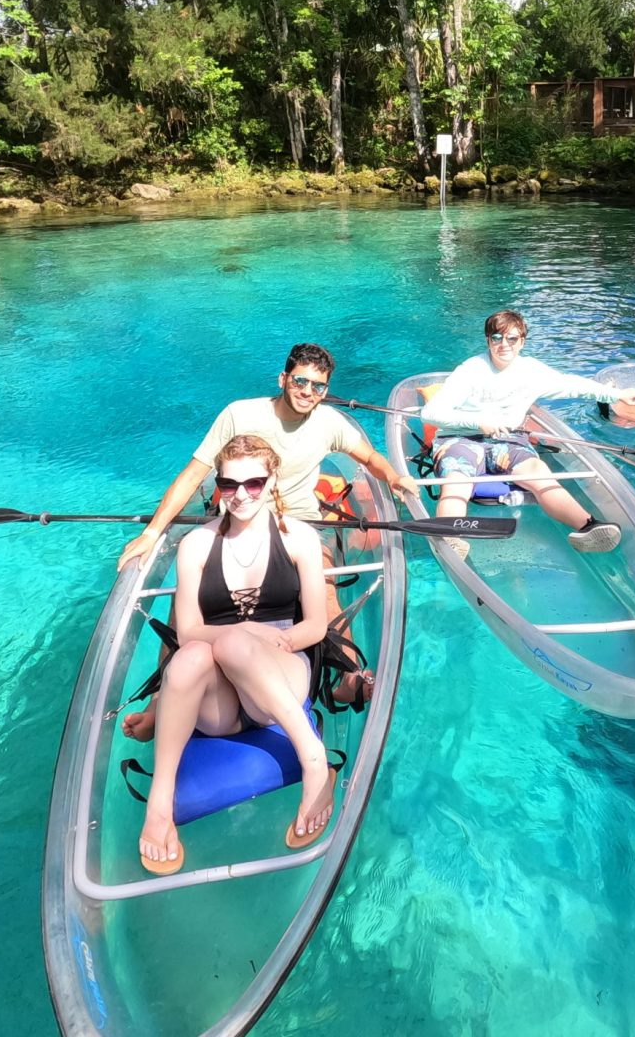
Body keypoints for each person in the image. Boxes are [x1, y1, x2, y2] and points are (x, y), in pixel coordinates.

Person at [118, 342, 417, 736]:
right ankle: (162, 701)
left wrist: (394, 477)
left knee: (324, 587)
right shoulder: (240, 414)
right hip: (238, 517)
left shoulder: (330, 423)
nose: (308, 391)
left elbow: (370, 458)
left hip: (300, 524)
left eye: (318, 386)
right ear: (284, 379)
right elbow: (195, 472)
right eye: (301, 381)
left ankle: (346, 676)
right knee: (185, 602)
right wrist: (153, 531)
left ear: (326, 390)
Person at [137, 435, 334, 875]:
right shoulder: (197, 545)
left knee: (231, 643)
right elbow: (187, 631)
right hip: (220, 699)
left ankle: (315, 762)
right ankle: (160, 801)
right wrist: (242, 629)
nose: (241, 495)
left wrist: (258, 638)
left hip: (278, 671)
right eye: (229, 485)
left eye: (254, 483)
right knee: (191, 657)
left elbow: (314, 626)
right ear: (217, 486)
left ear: (273, 481)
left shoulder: (299, 538)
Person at [419, 309, 635, 553]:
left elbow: (572, 385)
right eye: (497, 338)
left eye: (512, 339)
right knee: (457, 481)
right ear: (488, 340)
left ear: (521, 341)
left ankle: (589, 527)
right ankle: (451, 537)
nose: (504, 344)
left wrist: (617, 395)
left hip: (507, 439)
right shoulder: (471, 370)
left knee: (539, 473)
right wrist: (479, 421)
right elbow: (430, 413)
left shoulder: (532, 371)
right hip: (459, 437)